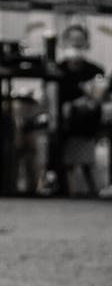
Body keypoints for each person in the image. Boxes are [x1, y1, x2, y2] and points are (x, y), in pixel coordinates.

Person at [57, 23, 104, 195]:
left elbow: (99, 99)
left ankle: (93, 188)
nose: (76, 47)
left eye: (80, 43)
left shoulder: (96, 71)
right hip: (63, 126)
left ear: (87, 44)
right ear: (63, 44)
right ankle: (62, 184)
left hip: (88, 126)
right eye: (72, 42)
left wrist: (90, 101)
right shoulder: (56, 71)